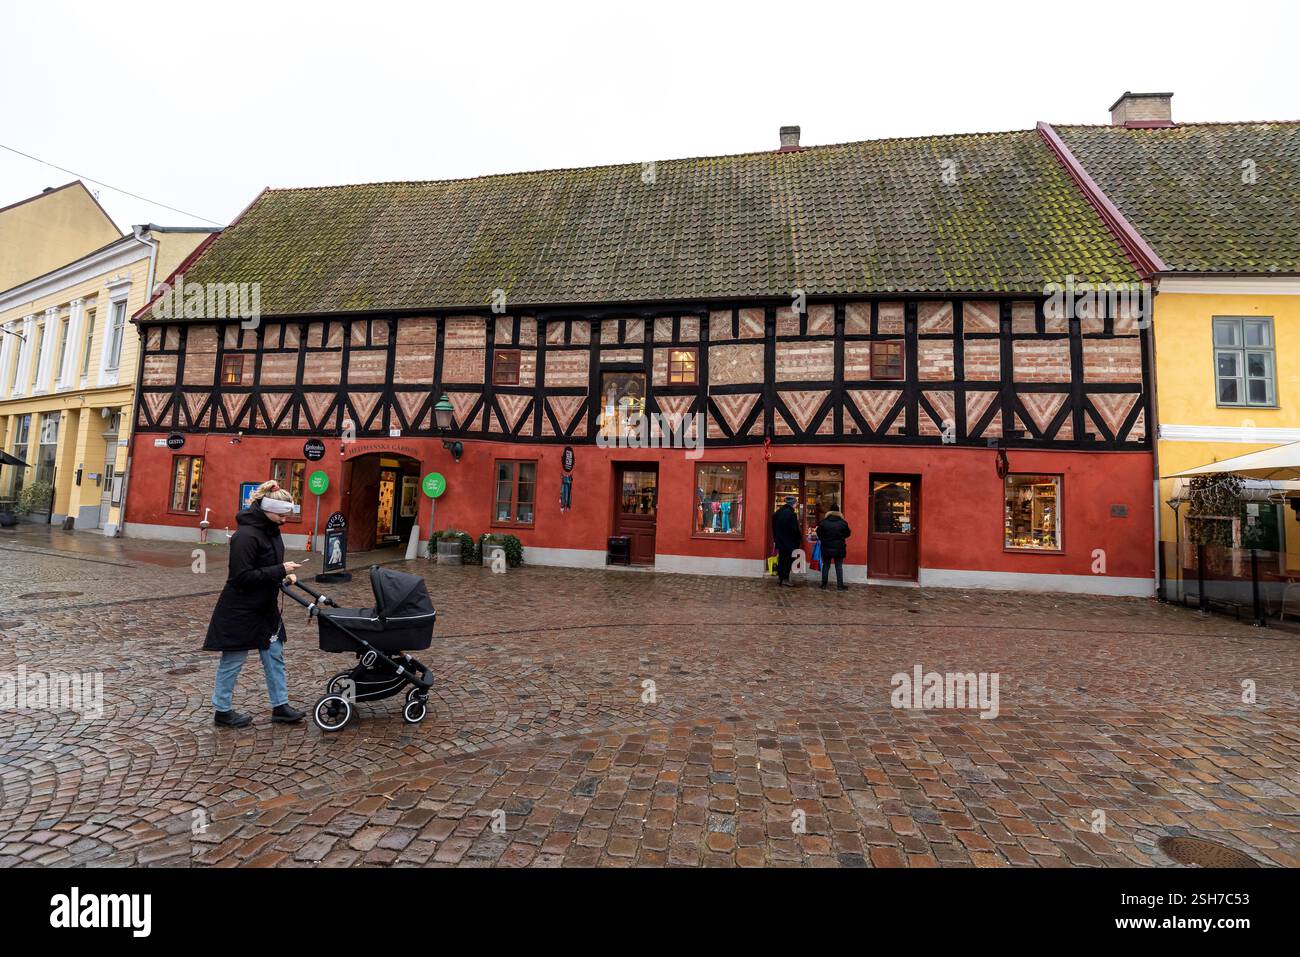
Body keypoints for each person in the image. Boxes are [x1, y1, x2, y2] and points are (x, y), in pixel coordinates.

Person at [204, 480, 306, 727]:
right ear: (267, 509)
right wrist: (279, 570)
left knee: (275, 655)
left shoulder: (272, 531)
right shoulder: (246, 536)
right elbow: (241, 576)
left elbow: (266, 569)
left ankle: (280, 706)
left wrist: (283, 575)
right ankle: (222, 710)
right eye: (281, 514)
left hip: (265, 607)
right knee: (232, 661)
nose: (284, 519)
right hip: (239, 608)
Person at [815, 508, 852, 590]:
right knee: (838, 566)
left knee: (826, 566)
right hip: (839, 548)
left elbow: (818, 533)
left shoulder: (824, 522)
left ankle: (824, 584)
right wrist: (841, 537)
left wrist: (824, 539)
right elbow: (848, 533)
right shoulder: (843, 523)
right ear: (838, 513)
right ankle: (840, 585)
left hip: (826, 547)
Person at [772, 495, 802, 586]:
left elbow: (773, 527)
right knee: (788, 560)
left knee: (781, 558)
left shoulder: (778, 513)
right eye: (795, 503)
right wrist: (798, 538)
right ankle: (785, 578)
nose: (796, 505)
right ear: (792, 504)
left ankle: (780, 578)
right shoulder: (791, 514)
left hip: (780, 540)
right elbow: (794, 529)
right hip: (790, 541)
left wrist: (775, 538)